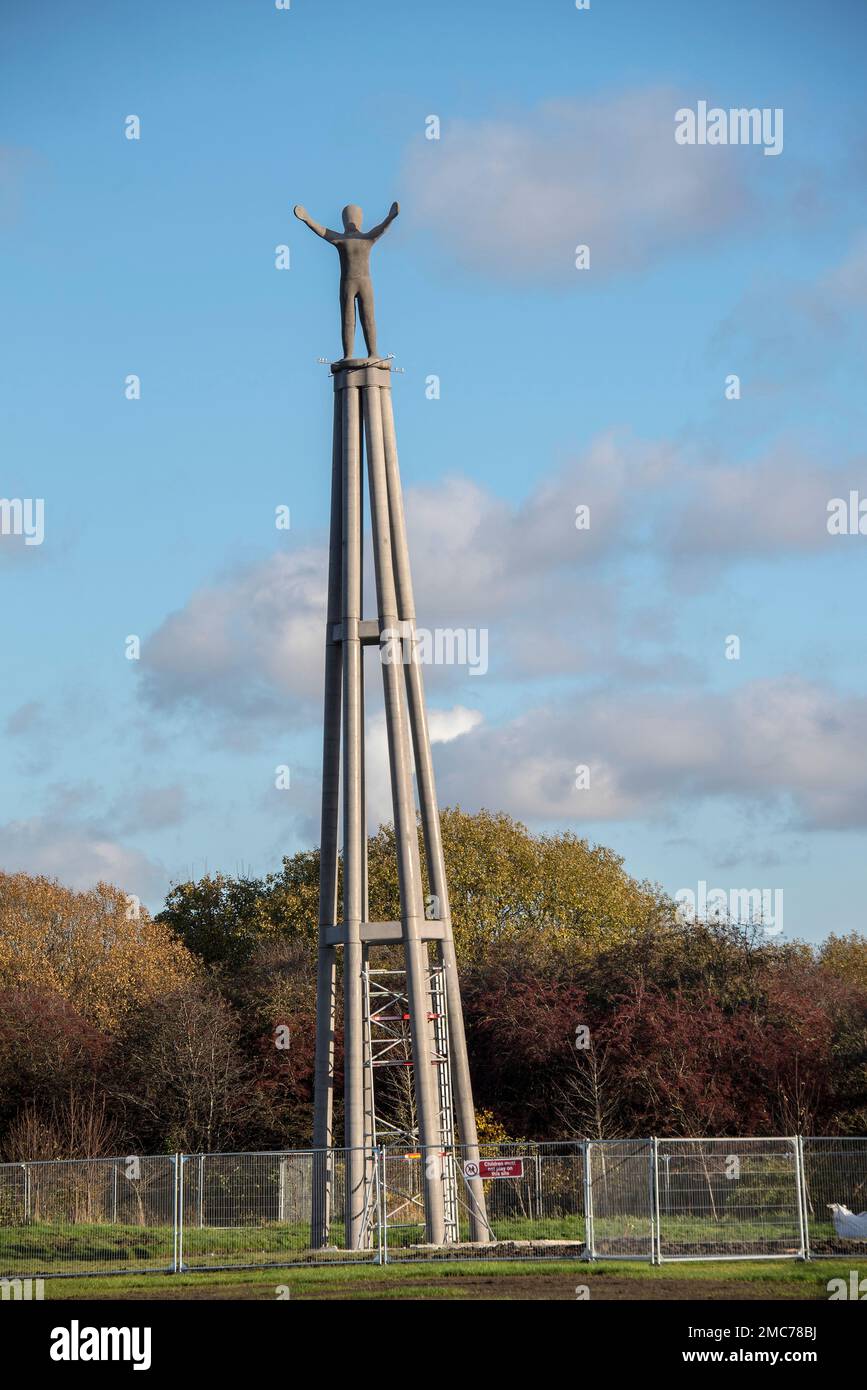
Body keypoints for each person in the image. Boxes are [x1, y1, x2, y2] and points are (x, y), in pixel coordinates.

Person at [293, 202, 400, 360]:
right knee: (354, 320)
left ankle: (370, 353)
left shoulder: (361, 238)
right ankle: (352, 354)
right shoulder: (351, 239)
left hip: (355, 283)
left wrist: (391, 217)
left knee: (360, 319)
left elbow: (382, 227)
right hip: (354, 283)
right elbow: (323, 231)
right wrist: (307, 219)